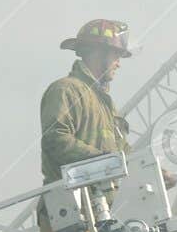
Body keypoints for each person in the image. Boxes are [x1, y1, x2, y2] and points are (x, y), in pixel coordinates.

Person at [40, 18, 133, 201]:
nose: (118, 64)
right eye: (116, 56)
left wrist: (153, 170)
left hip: (103, 212)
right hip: (74, 214)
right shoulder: (66, 90)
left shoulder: (106, 104)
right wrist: (104, 161)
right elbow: (56, 140)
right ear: (99, 53)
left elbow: (122, 151)